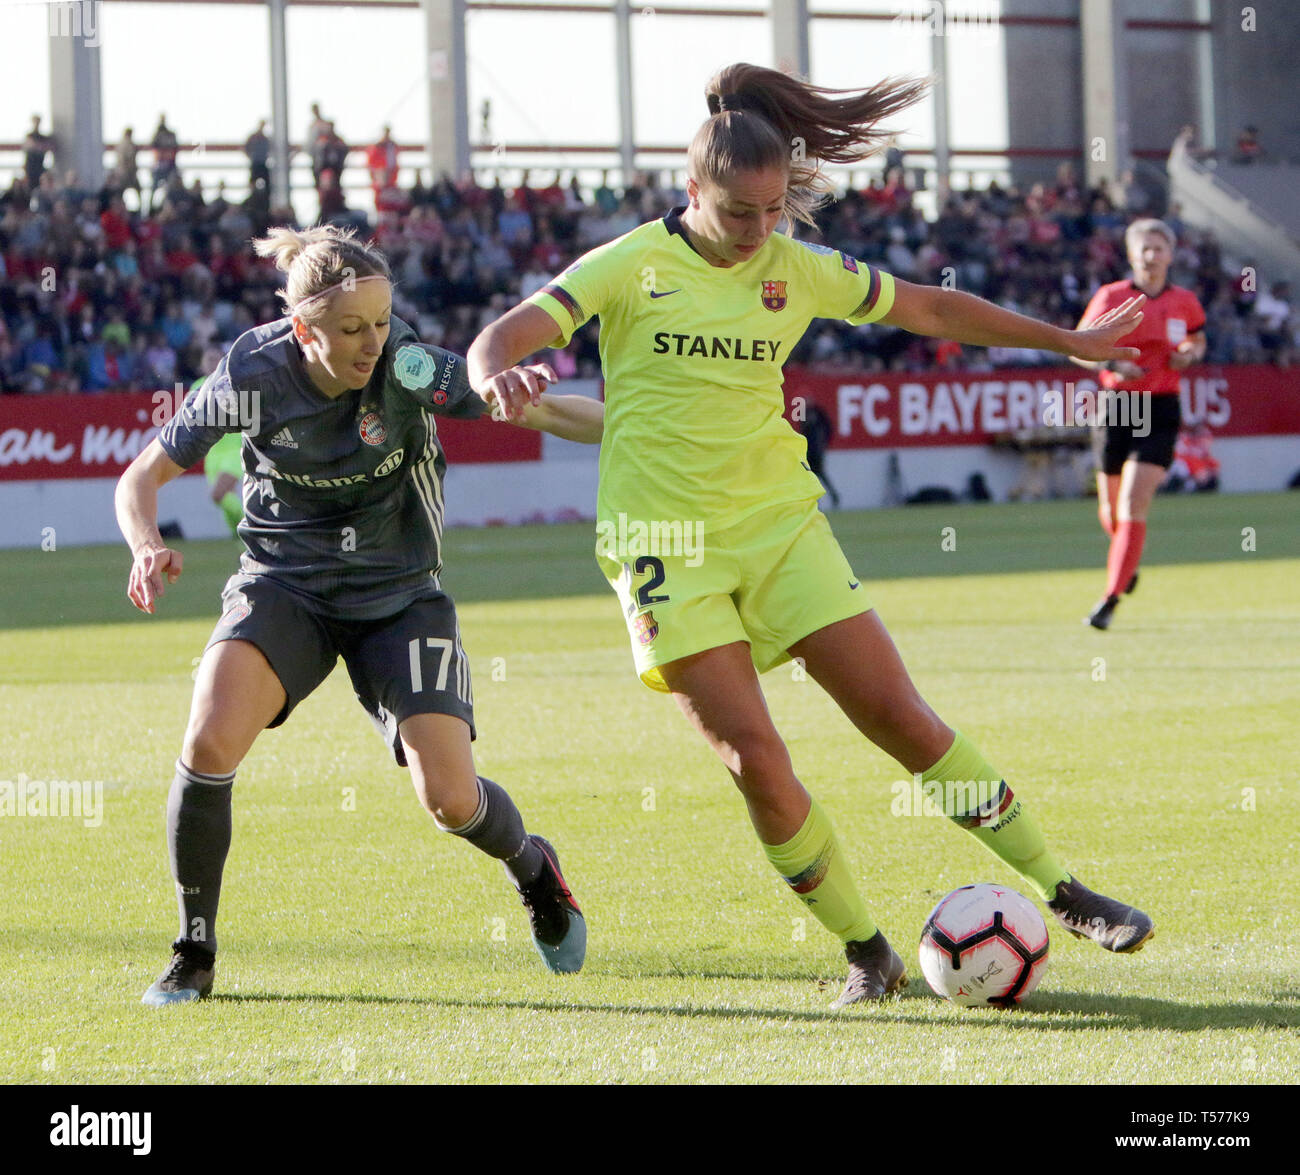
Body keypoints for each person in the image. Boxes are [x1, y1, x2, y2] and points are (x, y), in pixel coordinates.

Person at [469, 63, 1156, 1008]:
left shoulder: (796, 268)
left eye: (774, 210)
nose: (761, 232)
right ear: (690, 191)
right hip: (664, 547)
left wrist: (1067, 342)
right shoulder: (627, 266)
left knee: (902, 721)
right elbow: (498, 340)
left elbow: (932, 306)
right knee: (758, 761)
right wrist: (495, 375)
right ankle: (867, 951)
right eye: (740, 213)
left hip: (782, 529)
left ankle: (1061, 888)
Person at [115, 224, 603, 1005]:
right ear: (302, 329)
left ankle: (533, 867)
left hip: (399, 593)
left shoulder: (406, 363)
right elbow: (143, 475)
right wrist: (145, 545)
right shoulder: (251, 373)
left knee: (449, 797)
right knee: (209, 735)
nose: (374, 341)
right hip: (285, 585)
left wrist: (593, 414)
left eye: (381, 321)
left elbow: (523, 408)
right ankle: (192, 951)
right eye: (351, 329)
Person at [1073, 218, 1206, 629]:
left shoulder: (1185, 300)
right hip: (1117, 406)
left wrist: (1189, 353)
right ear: (1132, 255)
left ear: (1170, 254)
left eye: (1159, 248)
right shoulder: (1112, 296)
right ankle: (1125, 562)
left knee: (1133, 501)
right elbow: (1077, 347)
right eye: (1144, 249)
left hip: (1161, 407)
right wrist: (1112, 363)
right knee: (1112, 510)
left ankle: (1109, 599)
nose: (1151, 256)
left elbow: (1197, 339)